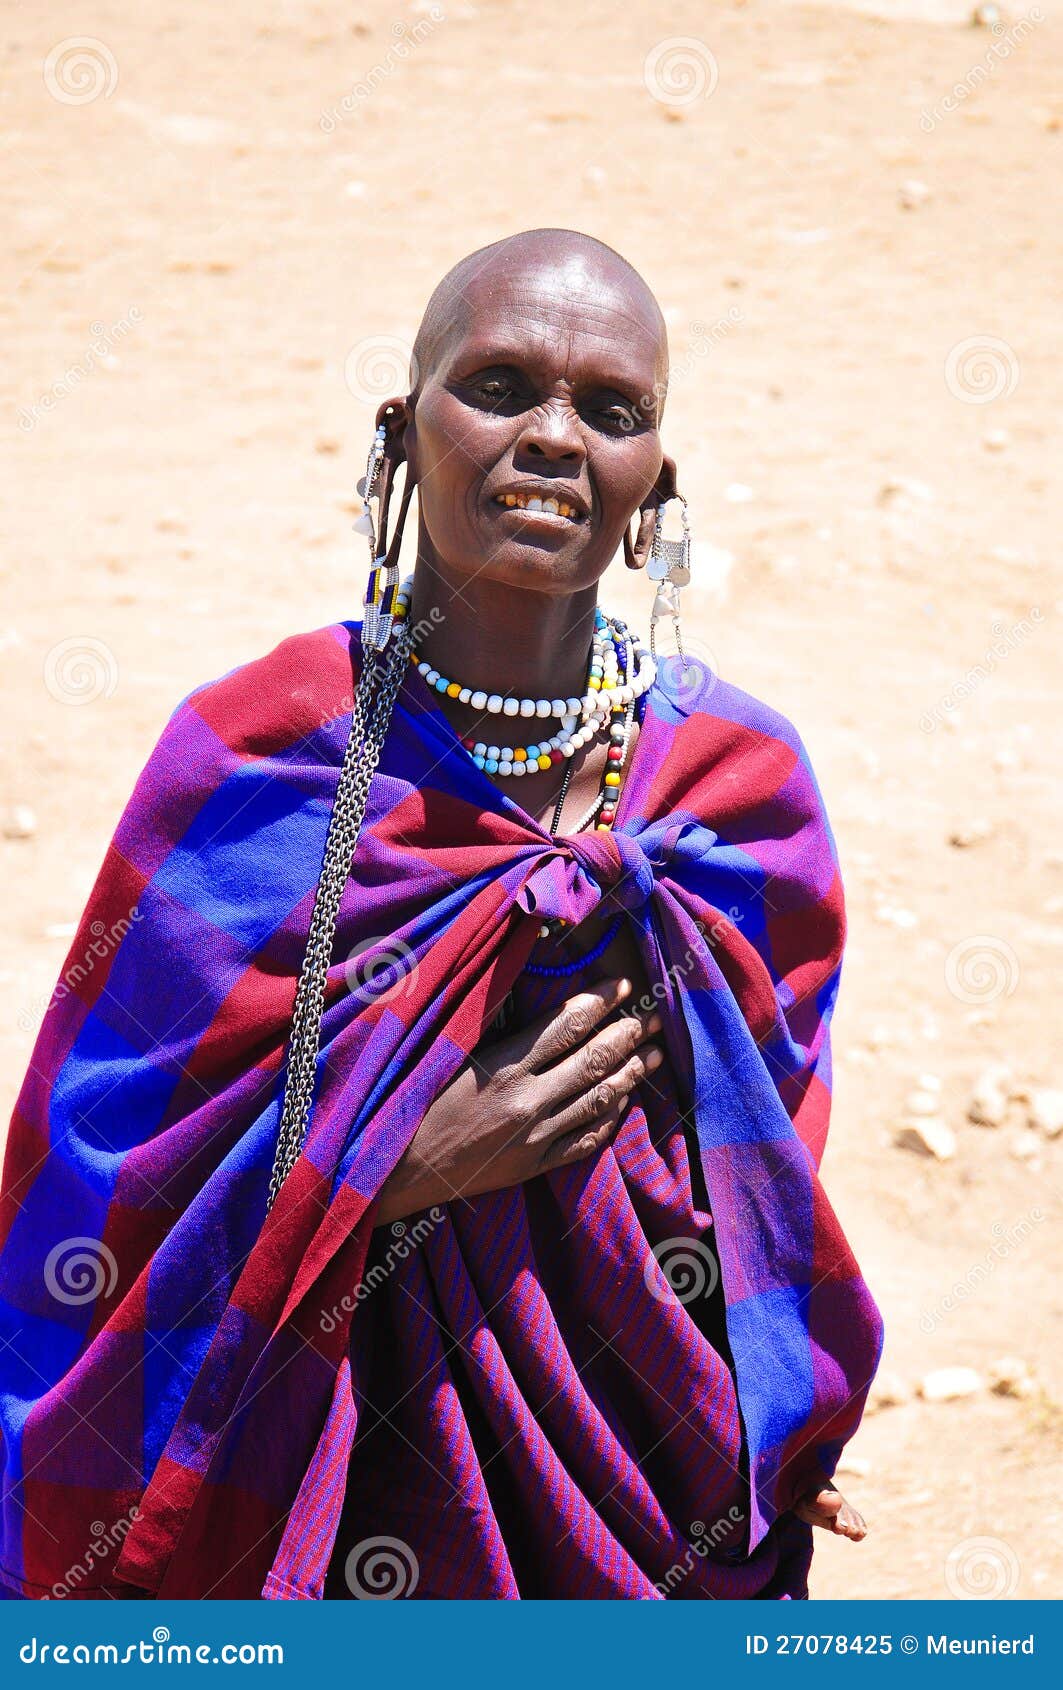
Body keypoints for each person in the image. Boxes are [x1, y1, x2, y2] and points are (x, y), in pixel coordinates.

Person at [0, 229, 882, 1602]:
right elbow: (99, 1182)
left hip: (649, 1482)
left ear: (658, 489)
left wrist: (778, 1393)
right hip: (321, 1473)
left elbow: (764, 1159)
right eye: (501, 384)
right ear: (402, 438)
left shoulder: (736, 793)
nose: (552, 436)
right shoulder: (259, 760)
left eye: (610, 409)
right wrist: (391, 1169)